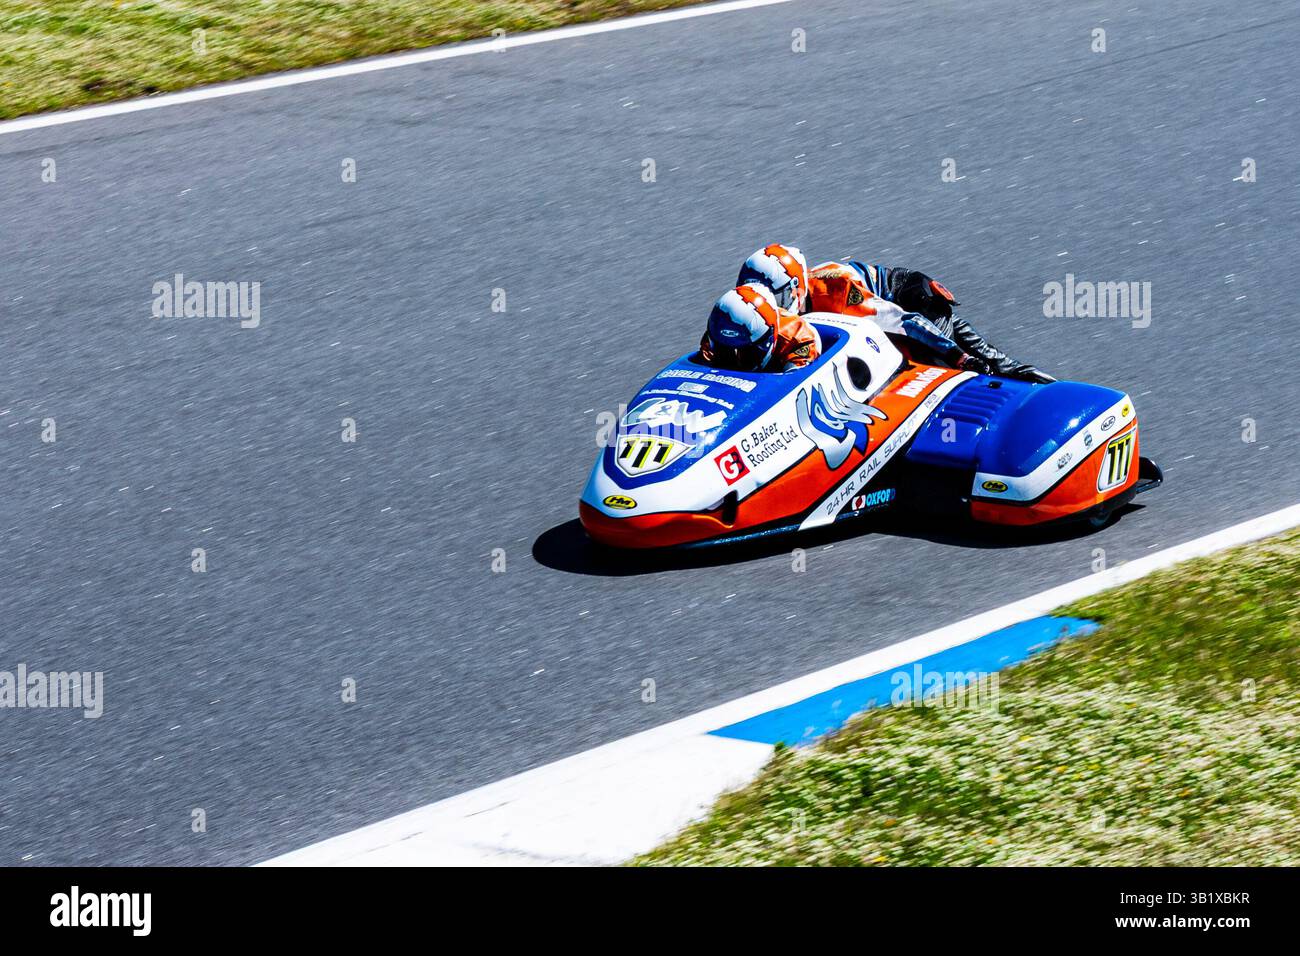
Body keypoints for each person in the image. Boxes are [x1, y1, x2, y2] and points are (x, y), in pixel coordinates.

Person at [736, 244, 1055, 383]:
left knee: (919, 373)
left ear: (794, 289)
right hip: (885, 309)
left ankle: (1012, 378)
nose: (761, 300)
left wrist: (960, 359)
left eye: (771, 295)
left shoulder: (835, 293)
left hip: (912, 301)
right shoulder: (767, 302)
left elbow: (906, 322)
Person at [698, 283, 820, 372]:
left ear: (770, 337)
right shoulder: (717, 333)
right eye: (724, 349)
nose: (737, 360)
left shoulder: (797, 341)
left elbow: (795, 384)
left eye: (747, 351)